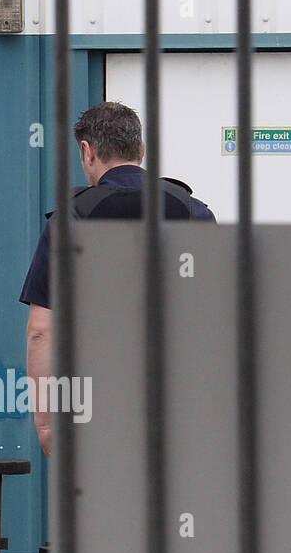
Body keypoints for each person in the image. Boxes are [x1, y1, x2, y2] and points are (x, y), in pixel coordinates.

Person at [19, 101, 214, 455]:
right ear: (141, 150)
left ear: (87, 151)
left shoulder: (72, 220)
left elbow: (41, 330)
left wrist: (46, 423)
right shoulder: (194, 213)